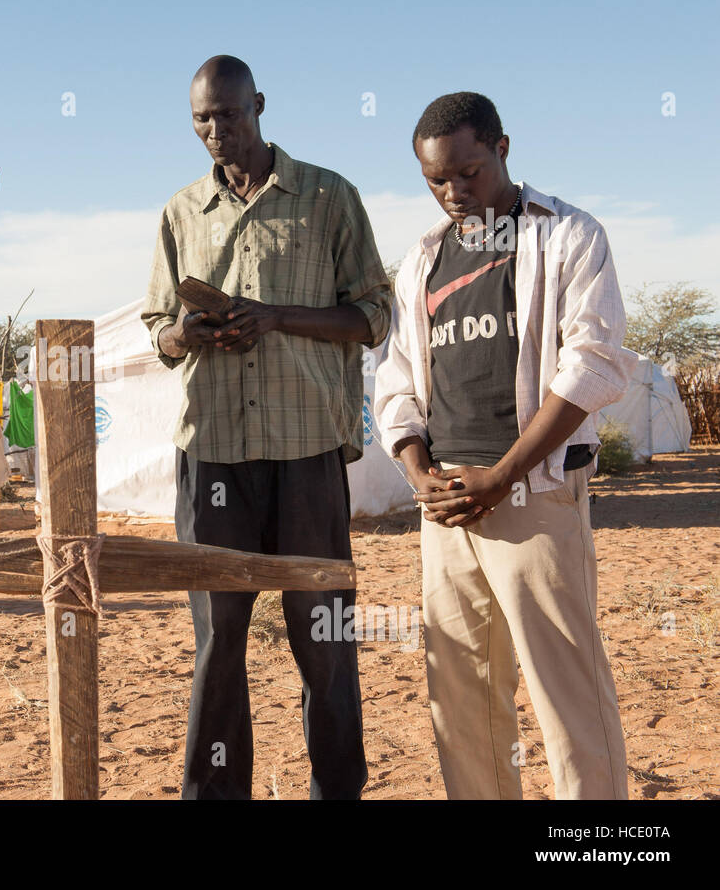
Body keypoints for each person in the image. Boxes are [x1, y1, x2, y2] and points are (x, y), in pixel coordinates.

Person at [141, 55, 391, 799]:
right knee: (218, 644)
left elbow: (374, 313)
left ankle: (336, 790)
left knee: (325, 638)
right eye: (202, 120)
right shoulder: (180, 212)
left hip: (306, 448)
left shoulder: (327, 197)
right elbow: (158, 328)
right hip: (212, 453)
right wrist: (187, 332)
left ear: (259, 104)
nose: (217, 130)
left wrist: (277, 316)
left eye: (229, 114)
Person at [373, 92, 636, 799]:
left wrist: (504, 473)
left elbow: (594, 363)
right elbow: (395, 381)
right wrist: (417, 469)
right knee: (461, 695)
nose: (454, 192)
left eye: (469, 172)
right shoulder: (422, 260)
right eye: (435, 180)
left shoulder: (568, 235)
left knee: (565, 692)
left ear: (503, 149)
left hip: (535, 492)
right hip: (448, 508)